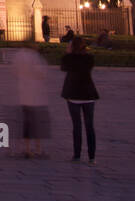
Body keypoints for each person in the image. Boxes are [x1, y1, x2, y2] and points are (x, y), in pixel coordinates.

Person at [60, 35, 99, 164]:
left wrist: (68, 52)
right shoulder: (89, 58)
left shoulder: (68, 58)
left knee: (77, 126)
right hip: (88, 95)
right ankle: (91, 156)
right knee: (90, 126)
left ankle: (77, 155)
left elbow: (64, 67)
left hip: (73, 95)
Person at [10, 47, 51, 159]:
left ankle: (27, 148)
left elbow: (13, 72)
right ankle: (37, 148)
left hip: (24, 95)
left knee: (27, 123)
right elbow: (42, 75)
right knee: (37, 123)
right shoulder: (35, 59)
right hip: (36, 97)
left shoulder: (19, 57)